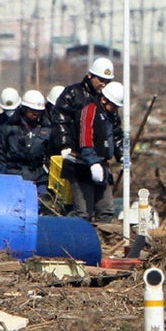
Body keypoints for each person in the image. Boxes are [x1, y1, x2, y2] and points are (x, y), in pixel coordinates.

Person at [64, 80, 123, 225]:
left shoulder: (111, 117)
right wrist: (93, 162)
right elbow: (86, 138)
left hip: (101, 167)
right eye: (113, 106)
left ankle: (103, 240)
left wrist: (121, 155)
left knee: (106, 209)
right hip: (82, 167)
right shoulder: (90, 110)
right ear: (104, 100)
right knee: (83, 212)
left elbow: (115, 137)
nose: (115, 109)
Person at [0, 88, 53, 201]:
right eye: (32, 111)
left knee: (44, 204)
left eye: (38, 112)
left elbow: (52, 153)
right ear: (24, 109)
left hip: (39, 177)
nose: (35, 114)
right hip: (14, 176)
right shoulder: (8, 128)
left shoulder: (46, 129)